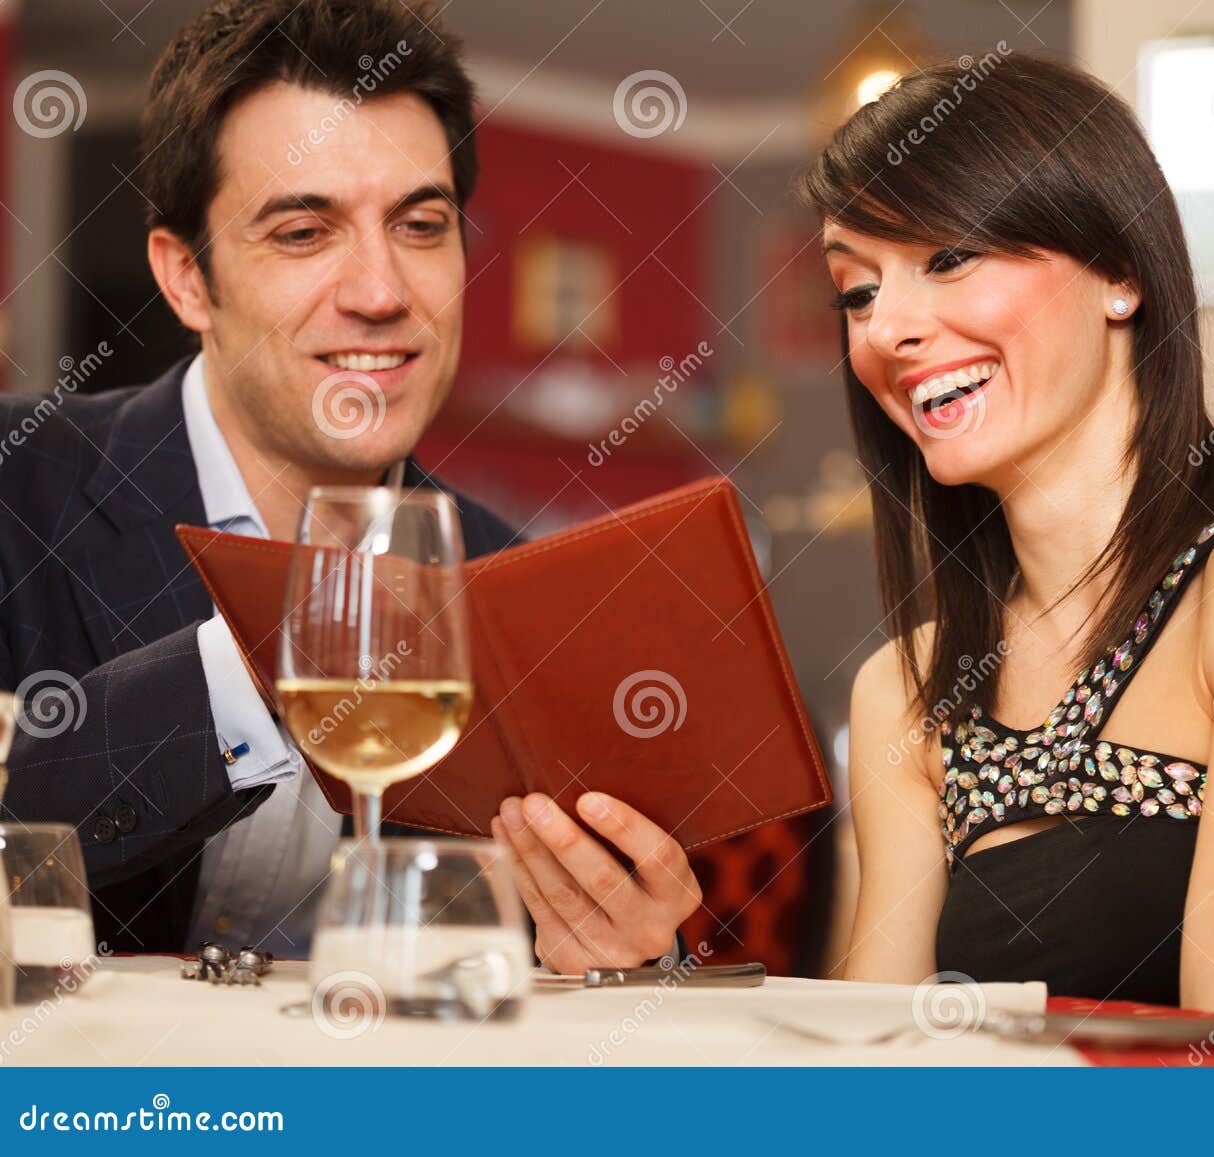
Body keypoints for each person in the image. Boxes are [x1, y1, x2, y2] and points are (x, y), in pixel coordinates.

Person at [0, 0, 699, 969]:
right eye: (303, 232)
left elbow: (560, 1011)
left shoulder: (514, 589)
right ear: (187, 277)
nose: (379, 291)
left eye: (420, 225)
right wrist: (276, 644)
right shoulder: (16, 489)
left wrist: (629, 958)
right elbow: (20, 824)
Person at [802, 53, 1214, 1052]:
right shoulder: (908, 687)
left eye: (950, 258)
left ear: (1120, 275)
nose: (890, 329)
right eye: (857, 290)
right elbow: (875, 1064)